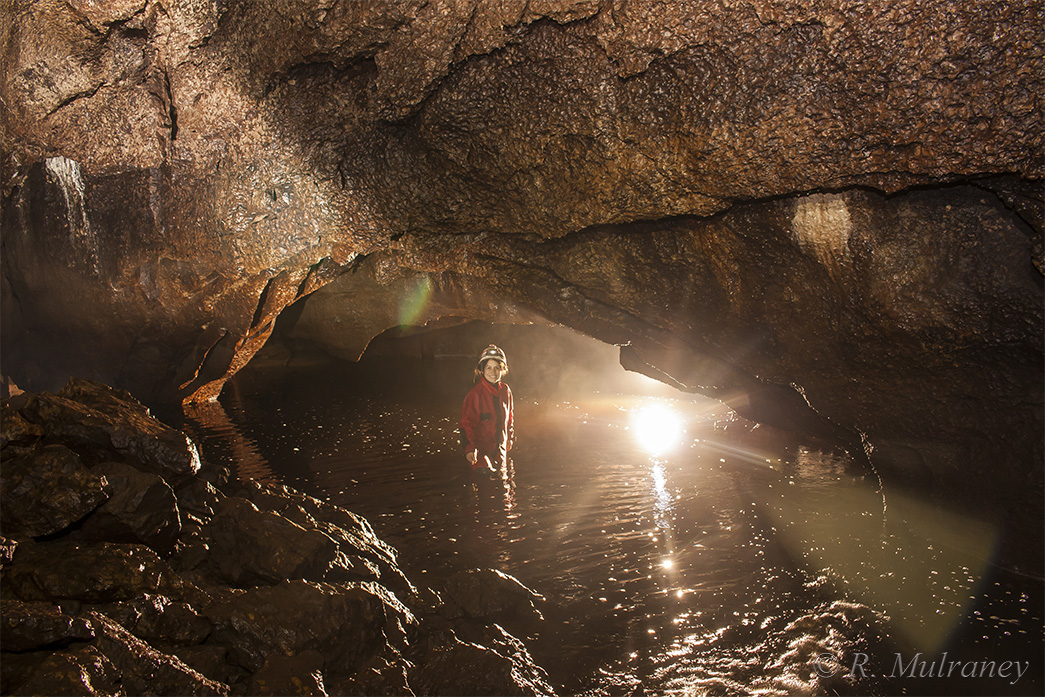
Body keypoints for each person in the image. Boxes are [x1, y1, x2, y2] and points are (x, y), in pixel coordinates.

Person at [459, 344, 515, 476]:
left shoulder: (506, 391)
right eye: (489, 368)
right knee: (485, 480)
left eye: (497, 368)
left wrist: (510, 439)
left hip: (500, 452)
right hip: (480, 454)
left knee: (505, 490)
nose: (493, 372)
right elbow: (466, 424)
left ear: (502, 370)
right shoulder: (475, 394)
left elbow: (510, 418)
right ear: (482, 370)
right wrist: (469, 449)